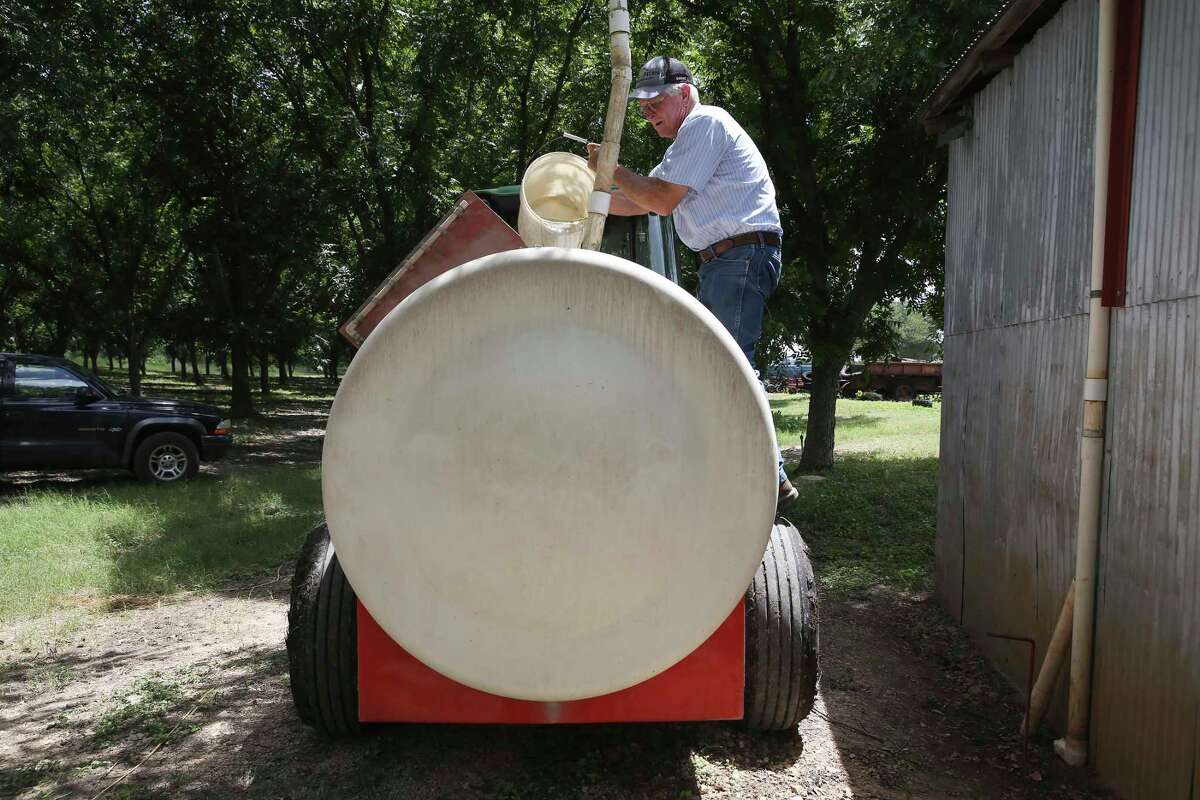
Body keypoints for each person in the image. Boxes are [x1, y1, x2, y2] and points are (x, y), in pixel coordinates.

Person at [587, 55, 797, 511]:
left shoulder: (705, 124)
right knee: (721, 365)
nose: (647, 114)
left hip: (739, 255)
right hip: (727, 260)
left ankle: (769, 476)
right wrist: (592, 199)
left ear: (684, 93)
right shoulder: (685, 146)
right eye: (640, 107)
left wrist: (610, 168)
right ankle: (758, 472)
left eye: (654, 103)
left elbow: (659, 200)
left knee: (730, 367)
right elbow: (641, 202)